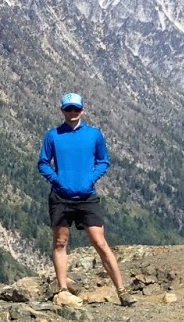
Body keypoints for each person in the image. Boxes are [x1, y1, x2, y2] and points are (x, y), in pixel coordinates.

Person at [38, 92, 131, 305]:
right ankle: (63, 290)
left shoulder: (94, 135)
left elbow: (103, 161)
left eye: (76, 109)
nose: (72, 112)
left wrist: (90, 179)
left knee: (100, 242)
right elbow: (43, 162)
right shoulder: (53, 136)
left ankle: (122, 291)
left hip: (87, 196)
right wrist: (56, 180)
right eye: (68, 109)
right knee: (60, 242)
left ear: (83, 111)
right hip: (61, 197)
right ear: (62, 111)